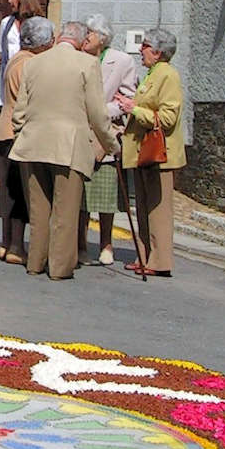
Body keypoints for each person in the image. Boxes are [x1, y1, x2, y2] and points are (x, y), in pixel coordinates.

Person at [10, 19, 117, 280]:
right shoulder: (88, 64)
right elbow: (97, 113)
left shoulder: (34, 63)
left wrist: (21, 132)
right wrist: (112, 143)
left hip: (33, 143)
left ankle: (35, 262)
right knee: (65, 211)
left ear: (59, 37)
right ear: (80, 41)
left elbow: (19, 111)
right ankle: (59, 267)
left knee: (39, 210)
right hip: (69, 146)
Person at [121, 26, 186, 277]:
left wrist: (133, 109)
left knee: (158, 210)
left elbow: (168, 117)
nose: (141, 49)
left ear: (158, 52)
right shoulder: (153, 74)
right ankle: (145, 255)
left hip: (160, 154)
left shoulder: (168, 75)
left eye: (145, 45)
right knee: (145, 208)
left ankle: (159, 261)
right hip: (143, 151)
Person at [0, 14, 53, 264]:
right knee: (18, 190)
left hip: (5, 129)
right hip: (17, 133)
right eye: (50, 40)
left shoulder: (18, 59)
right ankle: (16, 246)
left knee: (9, 189)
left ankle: (7, 243)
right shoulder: (30, 64)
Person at [79, 14, 140, 266]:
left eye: (89, 34)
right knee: (81, 196)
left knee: (105, 194)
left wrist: (105, 110)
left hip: (105, 134)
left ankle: (106, 244)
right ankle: (80, 245)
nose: (85, 39)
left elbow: (128, 98)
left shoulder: (122, 61)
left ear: (102, 38)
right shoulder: (79, 59)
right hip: (81, 131)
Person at [0, 0, 43, 112]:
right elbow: (1, 49)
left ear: (22, 0)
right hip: (10, 73)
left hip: (31, 73)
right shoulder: (6, 23)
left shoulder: (38, 24)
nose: (9, 1)